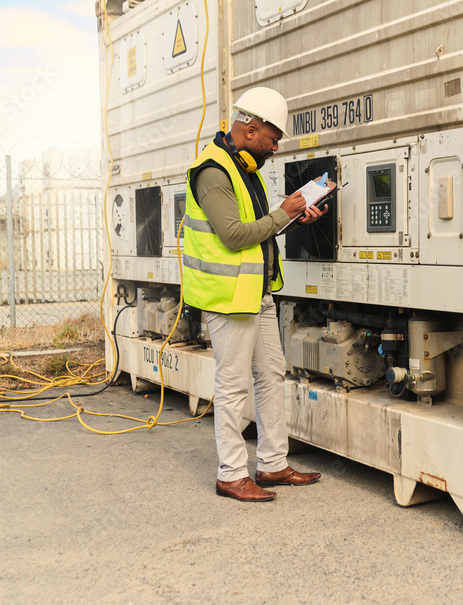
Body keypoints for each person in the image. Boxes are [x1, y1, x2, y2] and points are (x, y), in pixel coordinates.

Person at [181, 87, 330, 502]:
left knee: (270, 375)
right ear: (251, 128)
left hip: (256, 293)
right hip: (227, 296)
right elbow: (233, 236)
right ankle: (230, 473)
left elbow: (258, 227)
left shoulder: (244, 168)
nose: (276, 146)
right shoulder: (212, 172)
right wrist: (283, 213)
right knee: (232, 386)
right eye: (273, 137)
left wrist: (293, 220)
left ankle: (272, 464)